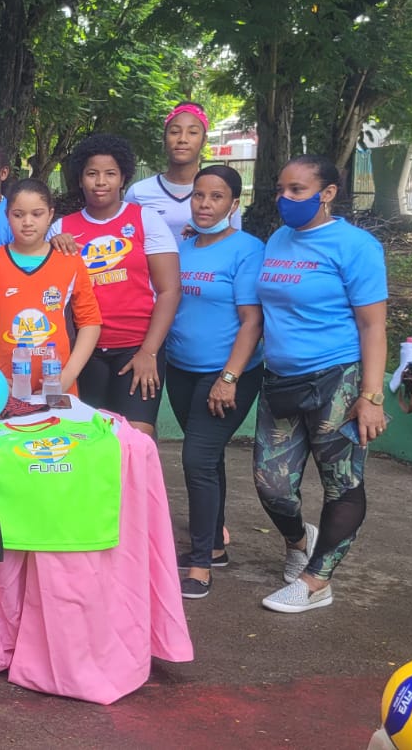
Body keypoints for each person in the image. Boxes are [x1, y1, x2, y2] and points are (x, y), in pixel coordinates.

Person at [254, 154, 387, 615]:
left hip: (337, 380)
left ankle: (316, 580)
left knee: (342, 482)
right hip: (280, 380)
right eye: (281, 189)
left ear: (327, 193)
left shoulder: (356, 246)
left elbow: (373, 326)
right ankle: (298, 541)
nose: (284, 198)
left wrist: (371, 396)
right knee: (271, 484)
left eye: (297, 190)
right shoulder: (278, 239)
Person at [163, 165, 264, 601]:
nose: (205, 204)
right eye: (199, 195)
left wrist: (229, 377)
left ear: (234, 204)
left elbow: (252, 321)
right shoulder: (182, 247)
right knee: (208, 458)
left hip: (225, 374)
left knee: (197, 460)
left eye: (216, 197)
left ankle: (200, 564)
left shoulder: (248, 249)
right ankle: (216, 547)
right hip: (181, 369)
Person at [49, 133, 180, 440]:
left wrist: (149, 352)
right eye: (91, 174)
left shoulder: (146, 220)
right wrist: (51, 245)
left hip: (137, 348)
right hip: (84, 351)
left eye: (110, 174)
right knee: (88, 439)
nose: (100, 182)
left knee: (135, 438)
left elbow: (170, 291)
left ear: (123, 178)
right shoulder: (60, 229)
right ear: (80, 179)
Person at [0, 178, 101, 397]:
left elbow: (90, 321)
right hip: (5, 386)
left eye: (36, 214)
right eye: (18, 215)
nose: (27, 222)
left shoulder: (70, 260)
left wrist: (68, 375)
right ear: (7, 216)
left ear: (50, 215)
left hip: (58, 385)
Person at [124, 101, 241, 239]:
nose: (182, 139)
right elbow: (127, 241)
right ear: (164, 138)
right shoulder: (138, 193)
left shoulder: (223, 193)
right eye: (174, 132)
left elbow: (235, 241)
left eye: (193, 132)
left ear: (204, 140)